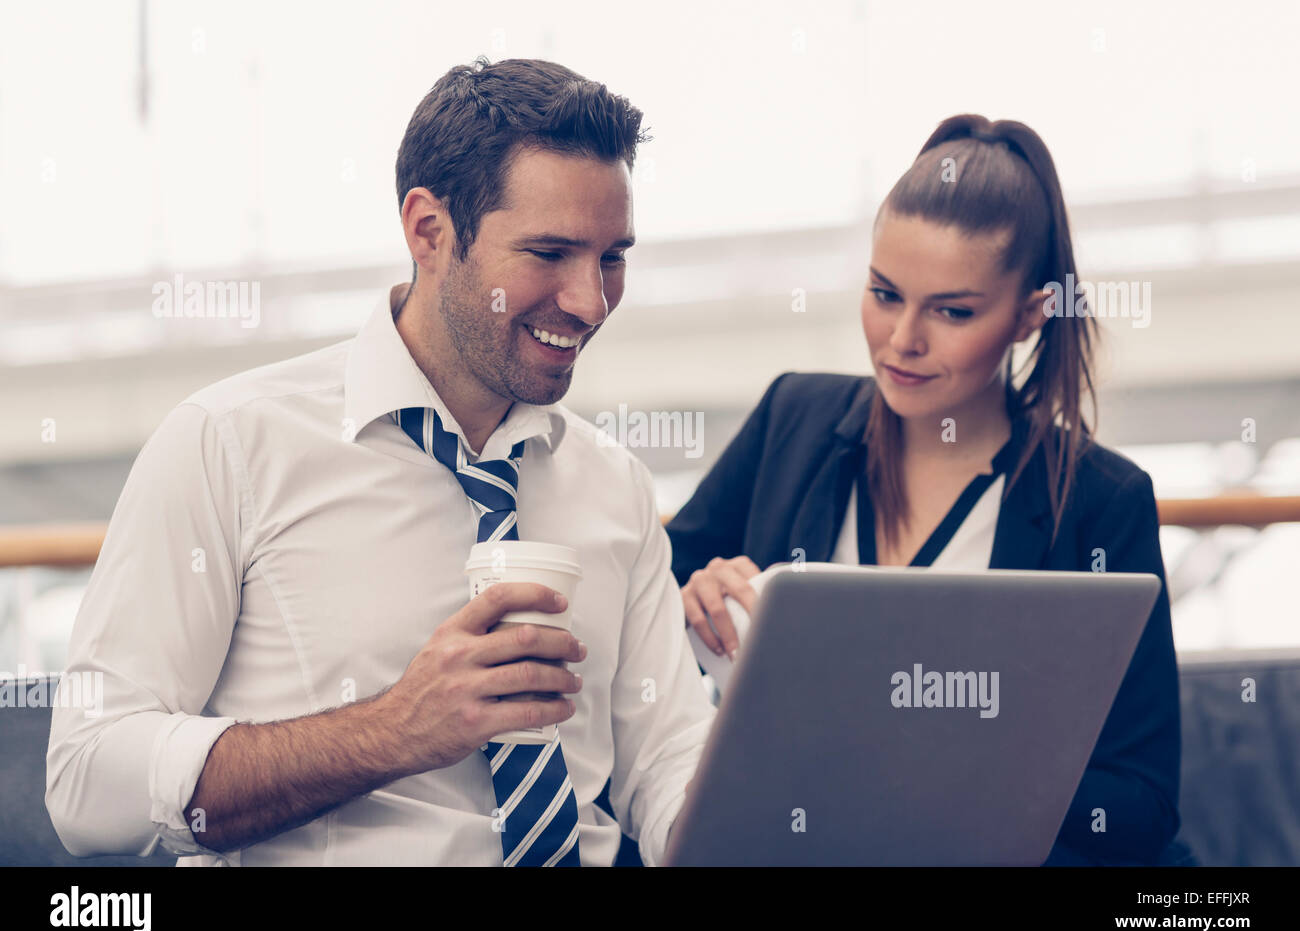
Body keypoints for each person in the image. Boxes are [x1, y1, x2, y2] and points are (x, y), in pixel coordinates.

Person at [45, 57, 714, 867]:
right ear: (429, 230)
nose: (590, 301)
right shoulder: (228, 445)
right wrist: (393, 730)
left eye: (613, 257)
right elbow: (85, 785)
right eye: (549, 253)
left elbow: (669, 764)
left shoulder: (615, 485)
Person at [665, 115, 1181, 866]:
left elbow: (1141, 804)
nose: (901, 339)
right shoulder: (792, 422)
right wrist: (690, 595)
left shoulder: (1102, 502)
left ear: (1031, 314)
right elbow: (644, 615)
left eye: (952, 311)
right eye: (884, 293)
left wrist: (969, 768)